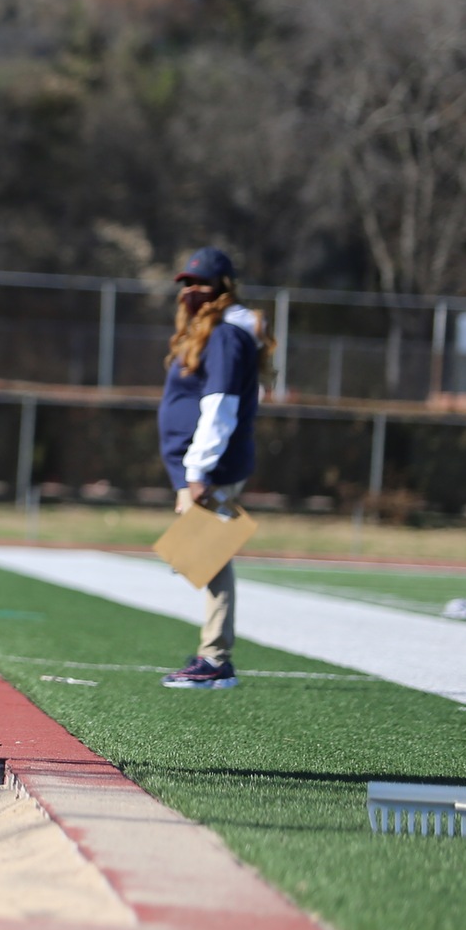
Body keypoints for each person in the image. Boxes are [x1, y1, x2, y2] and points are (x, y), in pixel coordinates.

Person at [157, 246, 265, 691]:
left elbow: (220, 406)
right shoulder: (212, 332)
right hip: (197, 465)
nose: (192, 292)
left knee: (207, 555)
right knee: (195, 555)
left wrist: (197, 472)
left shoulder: (225, 335)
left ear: (222, 289)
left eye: (201, 284)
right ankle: (214, 654)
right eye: (187, 284)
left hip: (210, 466)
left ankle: (216, 657)